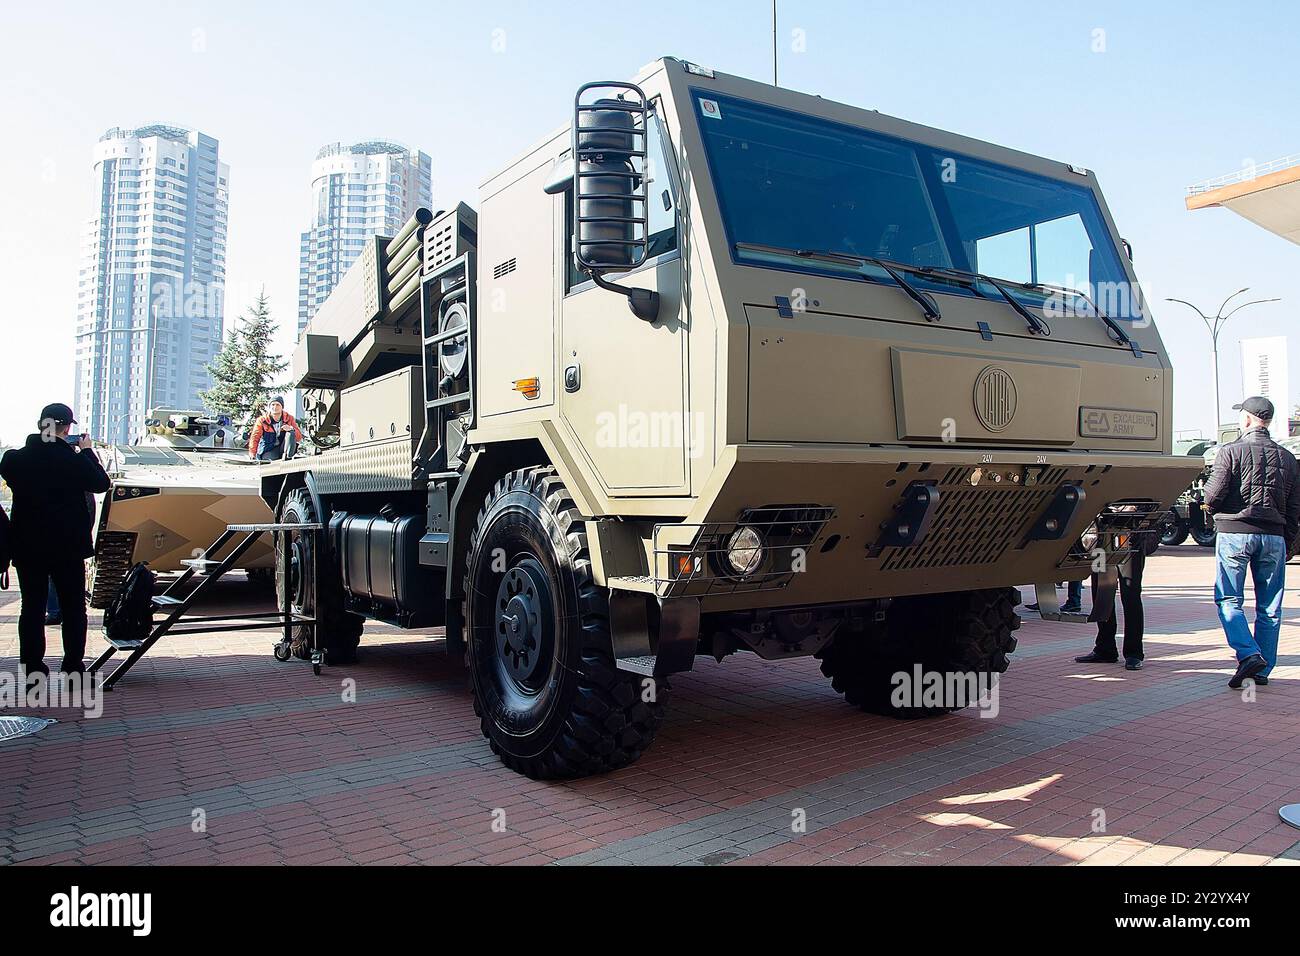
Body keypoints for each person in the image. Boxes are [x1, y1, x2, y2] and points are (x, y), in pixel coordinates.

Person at [0, 403, 111, 678]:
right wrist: (86, 451)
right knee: (73, 608)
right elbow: (101, 483)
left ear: (41, 424)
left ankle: (32, 671)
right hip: (68, 548)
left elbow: (14, 468)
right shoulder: (73, 460)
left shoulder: (14, 459)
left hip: (28, 547)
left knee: (32, 609)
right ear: (67, 428)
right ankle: (73, 667)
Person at [1203, 396, 1300, 689]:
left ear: (1246, 419)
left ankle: (1248, 654)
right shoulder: (1287, 458)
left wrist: (1206, 503)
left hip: (1235, 533)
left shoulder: (1229, 452)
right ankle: (1261, 670)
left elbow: (1212, 496)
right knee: (1270, 607)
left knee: (1229, 599)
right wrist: (1289, 543)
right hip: (1273, 536)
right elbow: (1295, 508)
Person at [1075, 523, 1159, 670]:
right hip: (1100, 541)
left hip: (1129, 536)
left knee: (1130, 595)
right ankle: (1105, 648)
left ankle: (1134, 653)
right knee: (1101, 592)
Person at [247, 396, 302, 461]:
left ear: (282, 407)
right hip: (269, 448)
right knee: (268, 462)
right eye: (273, 405)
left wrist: (291, 428)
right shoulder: (262, 420)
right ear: (269, 407)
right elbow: (255, 437)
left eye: (278, 405)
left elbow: (299, 437)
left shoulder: (289, 418)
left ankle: (288, 457)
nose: (275, 407)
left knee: (291, 432)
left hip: (284, 447)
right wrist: (252, 453)